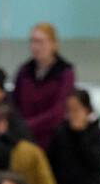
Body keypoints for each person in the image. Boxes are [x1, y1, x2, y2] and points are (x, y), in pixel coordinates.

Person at [12, 23, 76, 152]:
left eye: (40, 42)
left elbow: (59, 110)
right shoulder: (24, 71)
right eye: (33, 41)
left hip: (53, 138)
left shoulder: (65, 73)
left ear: (54, 44)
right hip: (24, 137)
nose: (35, 46)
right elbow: (14, 103)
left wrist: (28, 125)